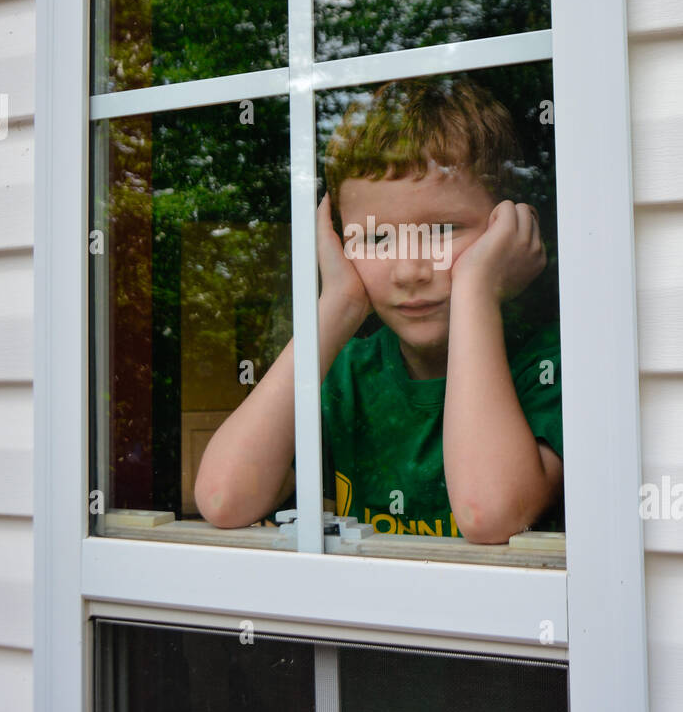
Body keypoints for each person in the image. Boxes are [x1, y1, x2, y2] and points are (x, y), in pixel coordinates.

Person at [195, 75, 563, 543]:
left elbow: (488, 514)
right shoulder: (348, 375)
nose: (409, 270)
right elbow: (225, 499)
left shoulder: (546, 368)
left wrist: (475, 288)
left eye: (443, 230)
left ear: (509, 227)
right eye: (376, 237)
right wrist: (337, 304)